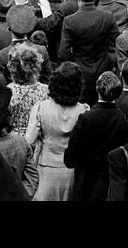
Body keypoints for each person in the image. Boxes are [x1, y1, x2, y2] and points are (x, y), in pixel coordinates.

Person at [24, 61, 89, 200]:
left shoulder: (40, 108)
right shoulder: (84, 110)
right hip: (73, 172)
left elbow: (28, 140)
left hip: (45, 170)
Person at [64, 71, 128, 202]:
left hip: (86, 185)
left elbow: (70, 158)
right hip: (111, 185)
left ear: (97, 89)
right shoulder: (122, 120)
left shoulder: (86, 118)